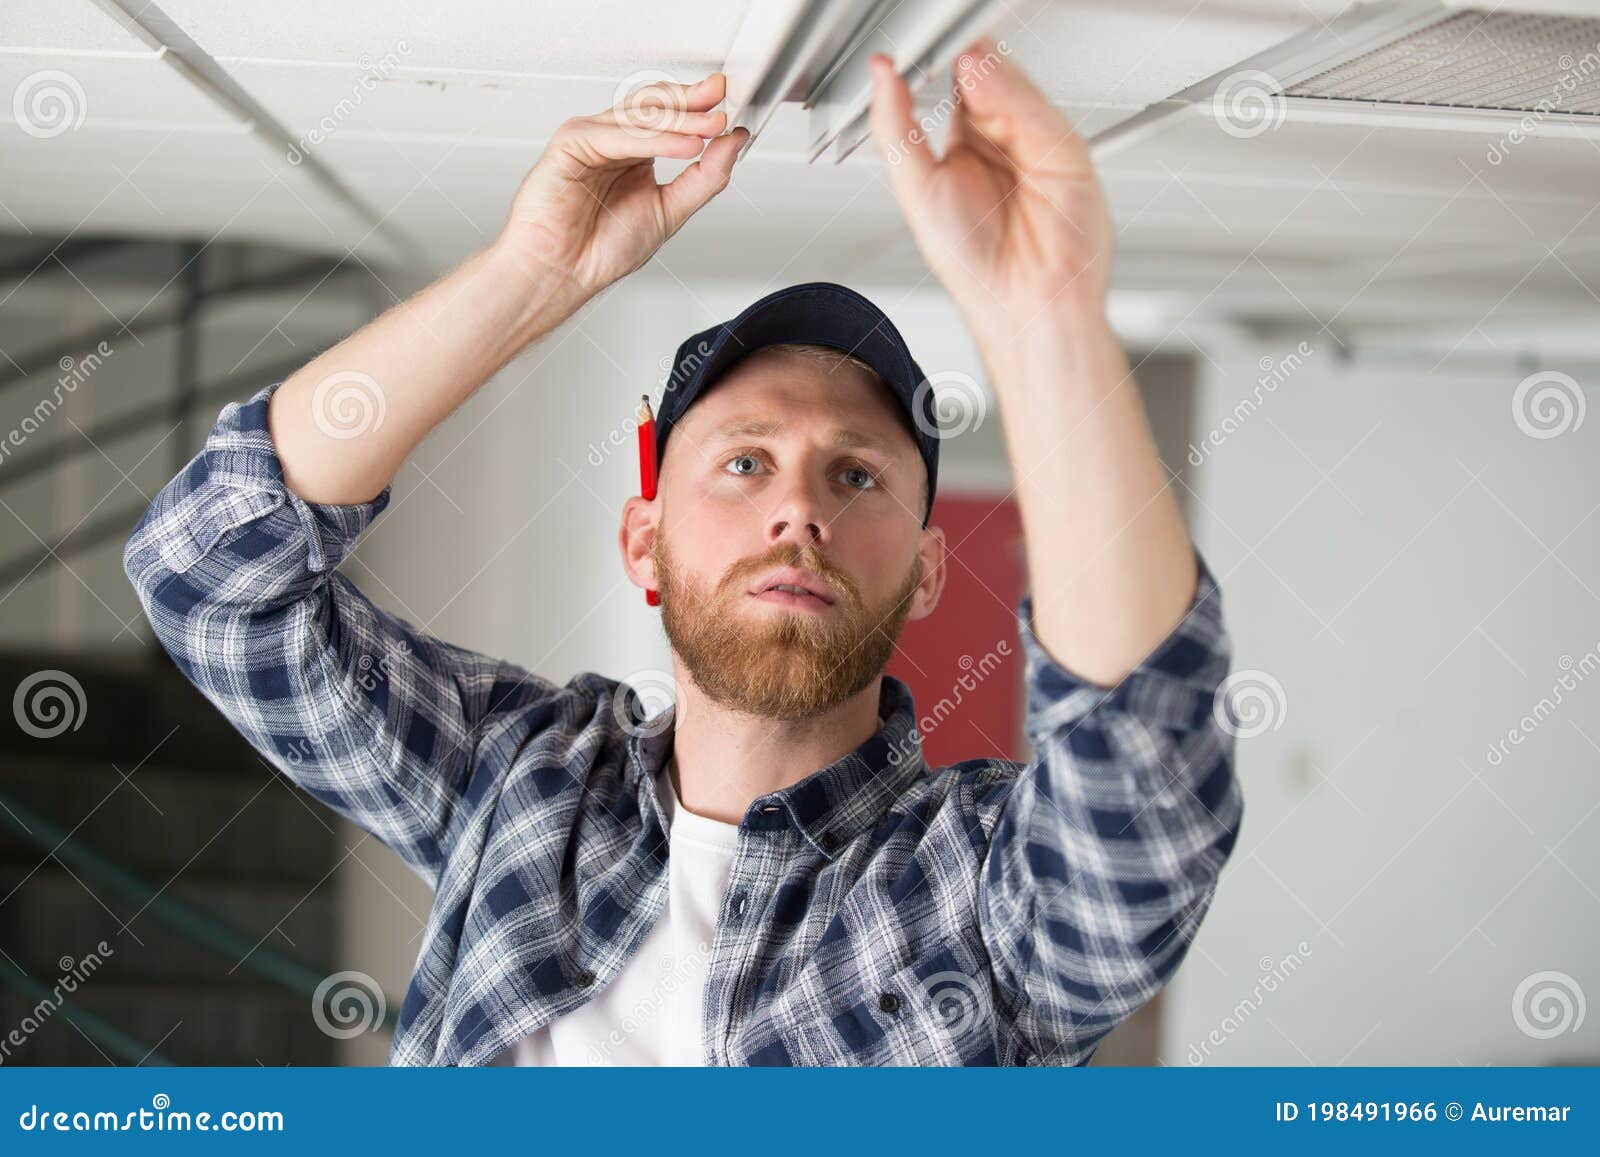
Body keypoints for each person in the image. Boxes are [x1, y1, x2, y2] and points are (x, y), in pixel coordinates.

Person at [123, 38, 1242, 1066]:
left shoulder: (970, 888)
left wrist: (1046, 323)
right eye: (744, 462)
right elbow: (207, 574)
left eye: (857, 475)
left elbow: (1139, 811)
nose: (797, 509)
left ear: (926, 572)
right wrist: (531, 278)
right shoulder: (520, 786)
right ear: (644, 541)